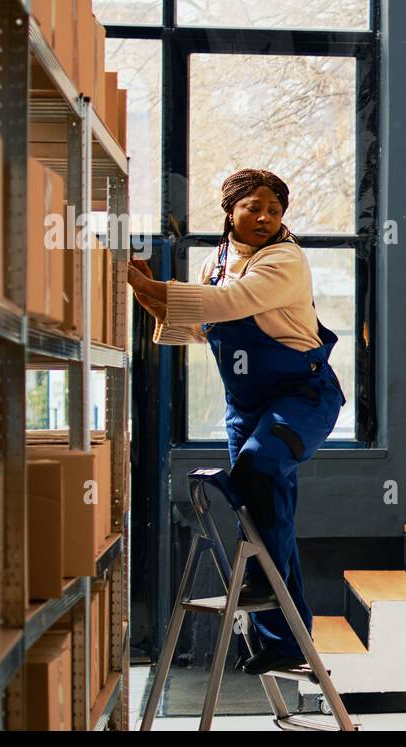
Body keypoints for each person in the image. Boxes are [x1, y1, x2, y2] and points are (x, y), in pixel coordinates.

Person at [128, 168, 345, 676]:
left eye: (273, 209)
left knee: (260, 467)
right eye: (253, 207)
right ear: (230, 211)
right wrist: (143, 293)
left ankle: (270, 596)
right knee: (262, 511)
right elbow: (201, 325)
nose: (265, 217)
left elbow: (231, 303)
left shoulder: (285, 260)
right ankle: (285, 641)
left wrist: (148, 282)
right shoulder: (216, 262)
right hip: (245, 405)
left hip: (303, 397)